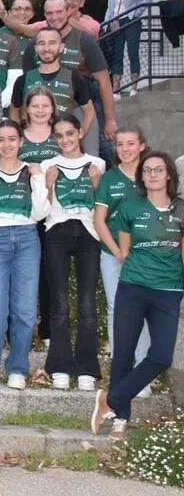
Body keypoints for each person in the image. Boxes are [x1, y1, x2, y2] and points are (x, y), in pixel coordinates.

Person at [92, 151, 183, 441]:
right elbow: (124, 251)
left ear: (169, 175)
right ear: (142, 177)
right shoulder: (130, 207)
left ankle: (110, 400)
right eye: (147, 170)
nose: (153, 175)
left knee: (161, 356)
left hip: (169, 291)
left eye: (159, 170)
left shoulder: (181, 209)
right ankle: (120, 420)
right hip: (133, 287)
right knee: (123, 354)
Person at [0, 120, 50, 389]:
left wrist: (38, 179)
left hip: (27, 238)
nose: (7, 145)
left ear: (21, 141)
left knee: (25, 311)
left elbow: (40, 213)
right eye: (1, 139)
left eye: (12, 139)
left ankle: (18, 368)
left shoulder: (31, 171)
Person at [0, 0, 118, 158]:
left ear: (68, 12)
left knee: (100, 149)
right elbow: (27, 85)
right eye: (50, 13)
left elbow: (104, 82)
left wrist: (110, 119)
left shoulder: (84, 41)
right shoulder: (35, 43)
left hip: (79, 102)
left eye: (59, 12)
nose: (54, 17)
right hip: (43, 109)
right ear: (44, 15)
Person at [39, 115, 105, 391]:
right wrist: (49, 185)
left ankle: (87, 368)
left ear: (80, 132)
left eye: (70, 133)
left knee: (88, 303)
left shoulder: (97, 164)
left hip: (89, 233)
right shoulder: (48, 165)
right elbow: (42, 209)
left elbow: (102, 205)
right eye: (59, 135)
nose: (65, 139)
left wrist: (96, 184)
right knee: (59, 303)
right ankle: (60, 367)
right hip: (57, 232)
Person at [94, 127, 153, 396]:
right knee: (116, 308)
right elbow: (99, 220)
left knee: (143, 309)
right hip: (112, 253)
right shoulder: (109, 178)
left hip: (145, 256)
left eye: (131, 144)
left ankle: (142, 375)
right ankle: (122, 373)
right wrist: (117, 251)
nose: (125, 149)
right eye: (120, 144)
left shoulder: (152, 174)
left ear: (142, 146)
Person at [17, 86, 63, 349]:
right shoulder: (18, 136)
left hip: (54, 213)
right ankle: (16, 330)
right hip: (24, 213)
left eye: (45, 105)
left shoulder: (60, 136)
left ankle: (47, 328)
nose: (40, 110)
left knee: (49, 272)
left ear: (53, 108)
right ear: (27, 108)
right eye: (35, 105)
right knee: (23, 273)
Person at [10, 27, 96, 128]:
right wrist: (19, 134)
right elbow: (13, 112)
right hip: (32, 136)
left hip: (61, 136)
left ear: (61, 47)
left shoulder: (73, 77)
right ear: (36, 48)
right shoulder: (23, 80)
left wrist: (80, 134)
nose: (46, 48)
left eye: (52, 43)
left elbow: (89, 111)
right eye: (41, 43)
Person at [105, 0, 153, 95]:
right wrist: (106, 22)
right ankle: (116, 89)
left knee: (133, 53)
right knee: (117, 54)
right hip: (116, 22)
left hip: (131, 21)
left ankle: (133, 87)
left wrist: (134, 14)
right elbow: (110, 6)